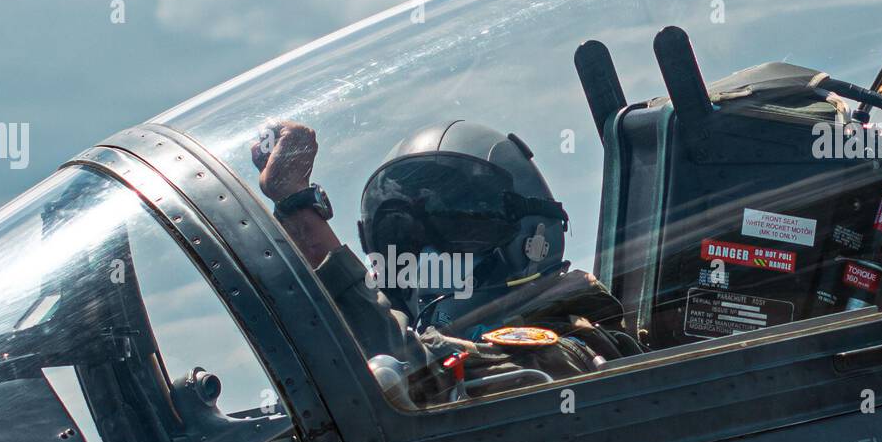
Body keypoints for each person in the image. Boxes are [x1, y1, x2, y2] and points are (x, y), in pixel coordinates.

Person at [251, 119, 639, 405]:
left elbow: (419, 370)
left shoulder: (570, 350)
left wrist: (297, 206)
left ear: (532, 237)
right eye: (400, 236)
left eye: (459, 227)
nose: (429, 258)